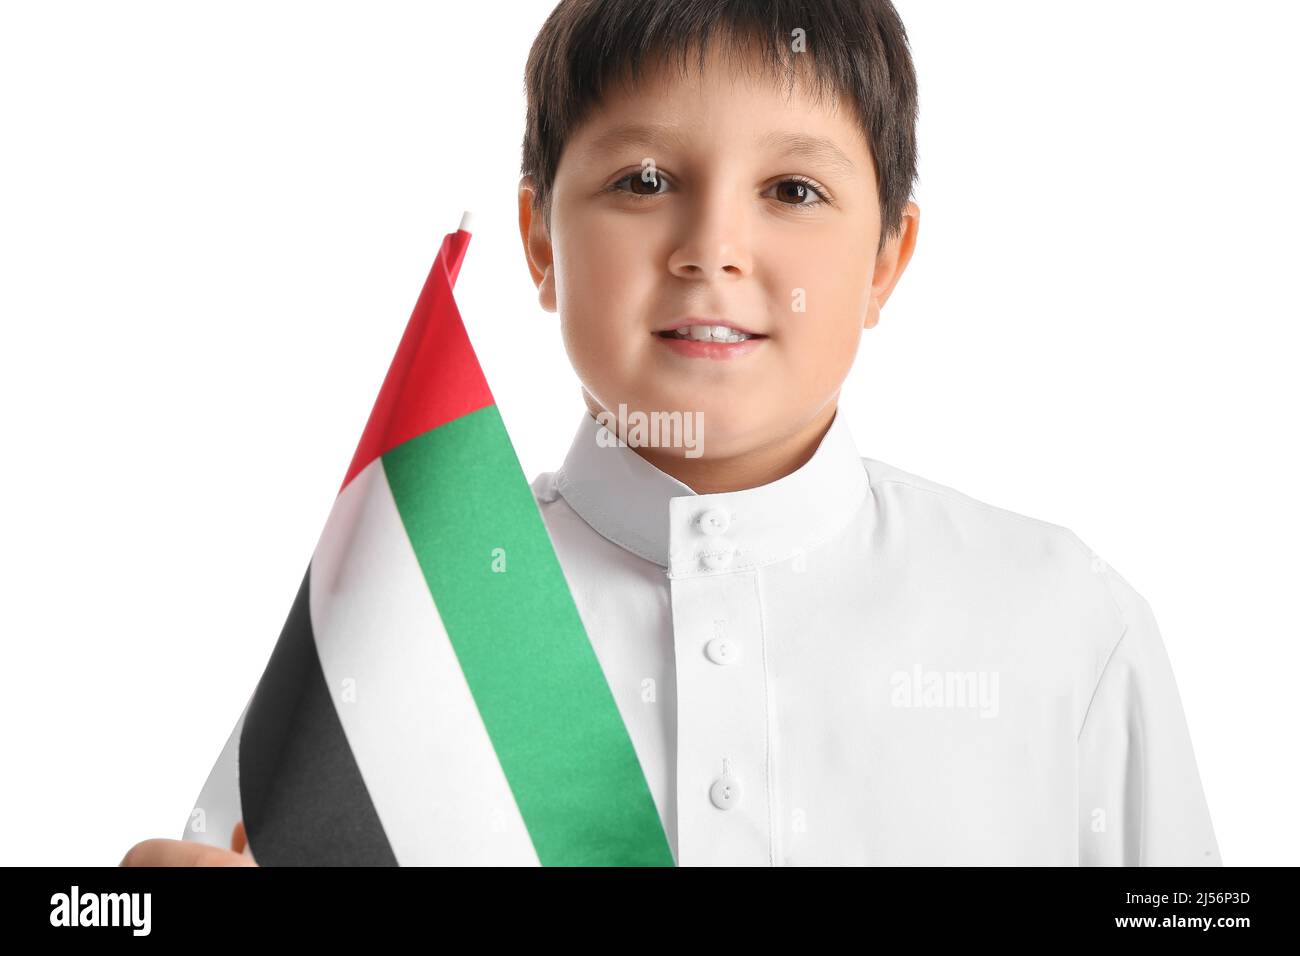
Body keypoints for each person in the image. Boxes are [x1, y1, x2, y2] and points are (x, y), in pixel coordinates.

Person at [123, 0, 1219, 866]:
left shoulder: (1061, 623)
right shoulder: (413, 603)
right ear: (538, 243)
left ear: (887, 257)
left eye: (792, 188)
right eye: (643, 181)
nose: (712, 247)